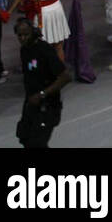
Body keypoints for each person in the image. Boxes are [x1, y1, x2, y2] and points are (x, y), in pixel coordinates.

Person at [15, 17, 70, 147]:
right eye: (19, 35)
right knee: (25, 137)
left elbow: (65, 77)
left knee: (37, 143)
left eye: (26, 34)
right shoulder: (24, 50)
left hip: (48, 105)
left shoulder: (44, 50)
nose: (22, 38)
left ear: (33, 32)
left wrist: (42, 94)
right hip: (31, 103)